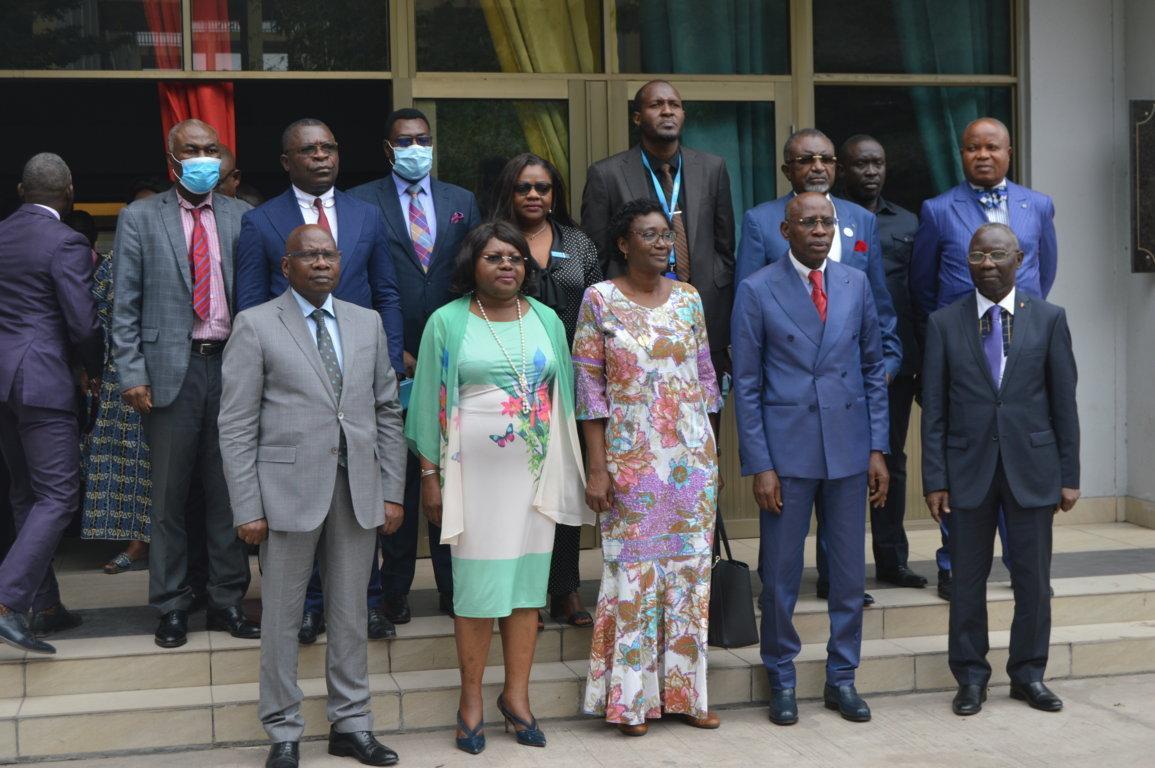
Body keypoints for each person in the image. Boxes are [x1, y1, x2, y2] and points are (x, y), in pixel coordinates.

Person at [219, 224, 405, 768]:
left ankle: (352, 724)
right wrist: (246, 504)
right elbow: (235, 424)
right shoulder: (255, 325)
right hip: (284, 495)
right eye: (309, 255)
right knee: (280, 617)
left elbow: (386, 412)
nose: (321, 263)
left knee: (350, 614)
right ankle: (282, 731)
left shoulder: (366, 323)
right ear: (287, 266)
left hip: (357, 490)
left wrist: (392, 490)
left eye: (329, 254)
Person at [405, 221, 589, 755]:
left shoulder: (549, 319)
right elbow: (427, 404)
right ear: (472, 265)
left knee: (527, 592)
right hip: (473, 478)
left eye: (515, 257)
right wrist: (429, 476)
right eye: (494, 257)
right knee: (478, 593)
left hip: (535, 476)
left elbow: (566, 401)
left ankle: (517, 697)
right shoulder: (448, 320)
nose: (507, 265)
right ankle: (470, 702)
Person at [236, 117, 405, 643]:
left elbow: (386, 293)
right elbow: (249, 302)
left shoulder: (366, 215)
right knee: (305, 497)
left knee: (359, 501)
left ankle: (367, 604)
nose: (322, 157)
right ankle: (308, 607)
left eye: (329, 147)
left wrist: (391, 363)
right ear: (287, 161)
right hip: (293, 377)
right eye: (309, 150)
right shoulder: (261, 222)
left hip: (358, 366)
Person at [731, 192, 889, 726]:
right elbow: (746, 385)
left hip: (847, 448)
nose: (820, 230)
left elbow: (872, 370)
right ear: (786, 229)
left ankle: (842, 678)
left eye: (827, 222)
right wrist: (760, 464)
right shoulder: (757, 290)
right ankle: (781, 675)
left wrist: (877, 448)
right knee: (779, 574)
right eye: (809, 222)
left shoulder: (856, 283)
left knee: (848, 576)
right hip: (787, 453)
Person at [574, 199, 722, 736]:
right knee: (633, 579)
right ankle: (631, 702)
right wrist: (598, 467)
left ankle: (687, 696)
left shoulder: (688, 299)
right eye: (650, 235)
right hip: (630, 461)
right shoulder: (599, 300)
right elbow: (589, 391)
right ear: (623, 243)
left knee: (688, 577)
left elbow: (706, 381)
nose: (662, 244)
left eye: (666, 235)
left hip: (690, 462)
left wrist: (713, 455)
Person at [736, 128, 901, 606]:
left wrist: (887, 361)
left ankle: (840, 588)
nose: (818, 167)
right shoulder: (762, 220)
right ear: (788, 167)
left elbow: (876, 300)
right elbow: (752, 316)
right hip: (790, 408)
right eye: (806, 159)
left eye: (826, 159)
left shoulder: (858, 219)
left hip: (848, 397)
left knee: (847, 536)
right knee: (784, 551)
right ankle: (782, 619)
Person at [920, 223, 1079, 717]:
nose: (986, 264)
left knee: (1033, 579)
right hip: (967, 472)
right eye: (976, 256)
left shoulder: (1050, 319)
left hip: (1033, 468)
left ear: (1020, 257)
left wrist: (1069, 474)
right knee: (966, 581)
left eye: (996, 254)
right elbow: (935, 409)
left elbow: (1063, 402)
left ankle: (1029, 674)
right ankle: (970, 678)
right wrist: (935, 478)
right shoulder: (944, 322)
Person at [112, 118, 258, 649]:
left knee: (228, 492)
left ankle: (226, 601)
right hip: (170, 372)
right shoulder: (139, 218)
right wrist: (131, 372)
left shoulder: (243, 216)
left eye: (211, 150)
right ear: (172, 160)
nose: (204, 158)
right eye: (192, 150)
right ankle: (172, 605)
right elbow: (124, 305)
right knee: (169, 497)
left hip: (232, 368)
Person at [910, 116, 1059, 601]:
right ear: (962, 154)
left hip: (1022, 344)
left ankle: (1025, 566)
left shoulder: (1037, 206)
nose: (982, 155)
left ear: (1008, 152)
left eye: (991, 147)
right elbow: (922, 284)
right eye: (972, 147)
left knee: (1021, 443)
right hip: (965, 345)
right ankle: (956, 564)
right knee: (966, 449)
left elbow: (1045, 271)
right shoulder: (937, 210)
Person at [347, 107, 480, 626]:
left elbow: (471, 274)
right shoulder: (360, 202)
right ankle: (393, 595)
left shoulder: (460, 201)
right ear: (387, 149)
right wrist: (390, 343)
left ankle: (453, 591)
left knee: (452, 476)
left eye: (422, 139)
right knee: (400, 479)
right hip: (392, 360)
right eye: (404, 141)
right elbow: (359, 279)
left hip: (454, 358)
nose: (414, 148)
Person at [489, 152, 602, 627]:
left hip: (573, 379)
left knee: (564, 485)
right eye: (523, 187)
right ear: (508, 193)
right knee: (518, 491)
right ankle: (523, 595)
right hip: (513, 382)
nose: (533, 195)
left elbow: (598, 306)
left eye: (543, 187)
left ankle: (564, 591)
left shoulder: (578, 243)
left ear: (555, 193)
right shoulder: (493, 241)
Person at [0, 153, 103, 654]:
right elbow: (83, 323)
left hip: (3, 385)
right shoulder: (67, 240)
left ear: (22, 191)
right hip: (42, 382)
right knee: (59, 495)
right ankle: (7, 600)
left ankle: (43, 606)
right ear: (69, 192)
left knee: (26, 493)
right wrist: (97, 368)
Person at [581, 80, 734, 383]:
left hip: (699, 309)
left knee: (702, 411)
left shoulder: (712, 167)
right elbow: (595, 256)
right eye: (656, 105)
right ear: (637, 118)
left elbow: (724, 246)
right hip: (631, 319)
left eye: (674, 105)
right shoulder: (607, 174)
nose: (667, 111)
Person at [837, 135, 927, 590]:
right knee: (845, 466)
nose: (871, 172)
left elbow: (918, 295)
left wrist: (923, 362)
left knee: (891, 458)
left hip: (893, 364)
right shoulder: (827, 220)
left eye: (878, 163)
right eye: (860, 165)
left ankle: (892, 561)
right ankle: (845, 570)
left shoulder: (909, 222)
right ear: (842, 170)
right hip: (838, 363)